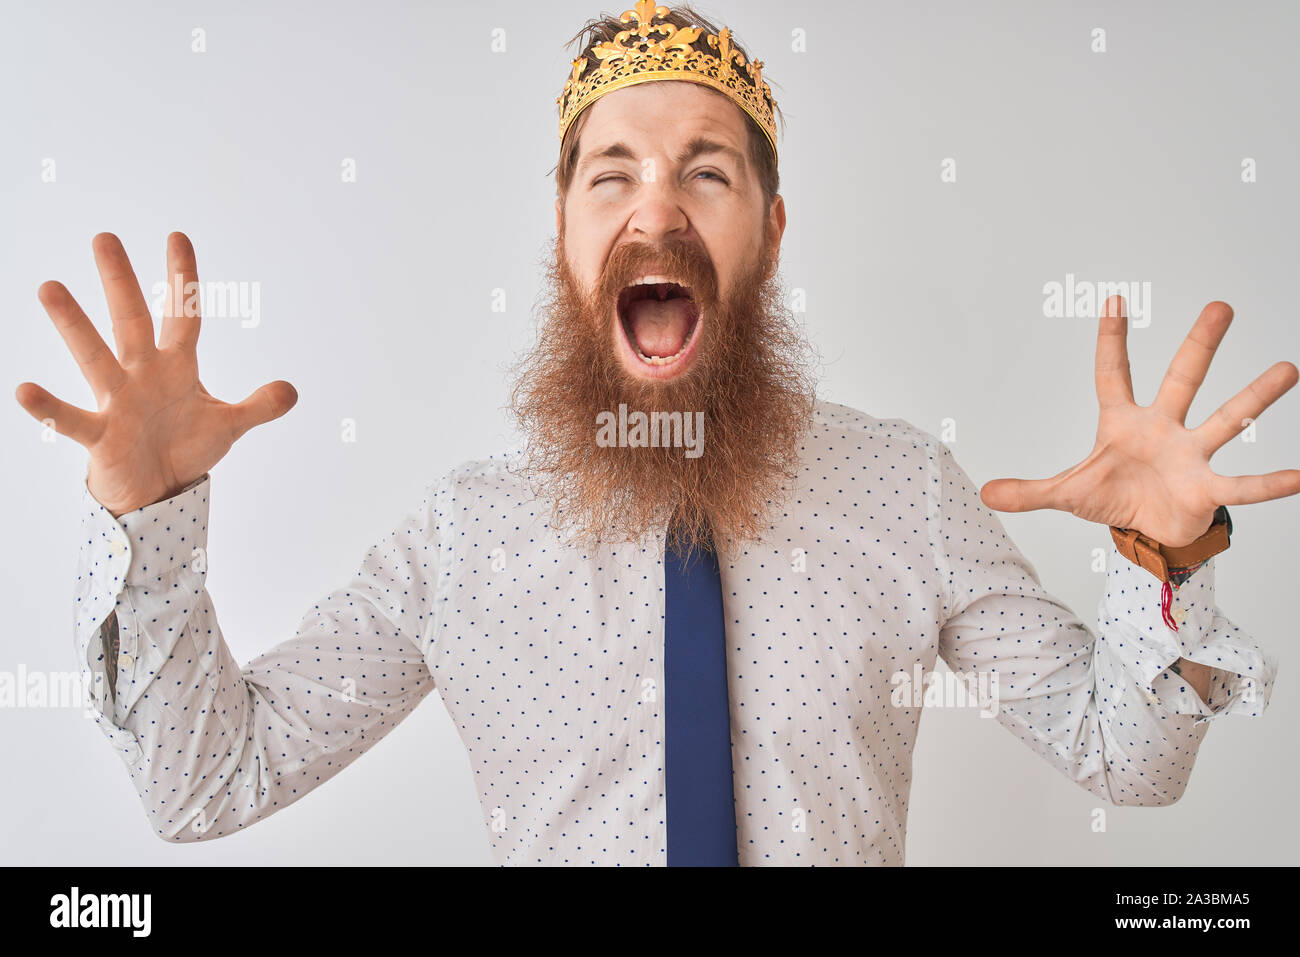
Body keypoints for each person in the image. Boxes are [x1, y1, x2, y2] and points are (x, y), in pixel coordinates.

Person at [15, 3, 1294, 866]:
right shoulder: (462, 533)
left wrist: (1161, 556)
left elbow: (1129, 762)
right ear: (567, 231)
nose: (656, 210)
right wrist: (149, 526)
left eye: (708, 172)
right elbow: (204, 785)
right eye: (611, 173)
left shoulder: (903, 489)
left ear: (769, 235)